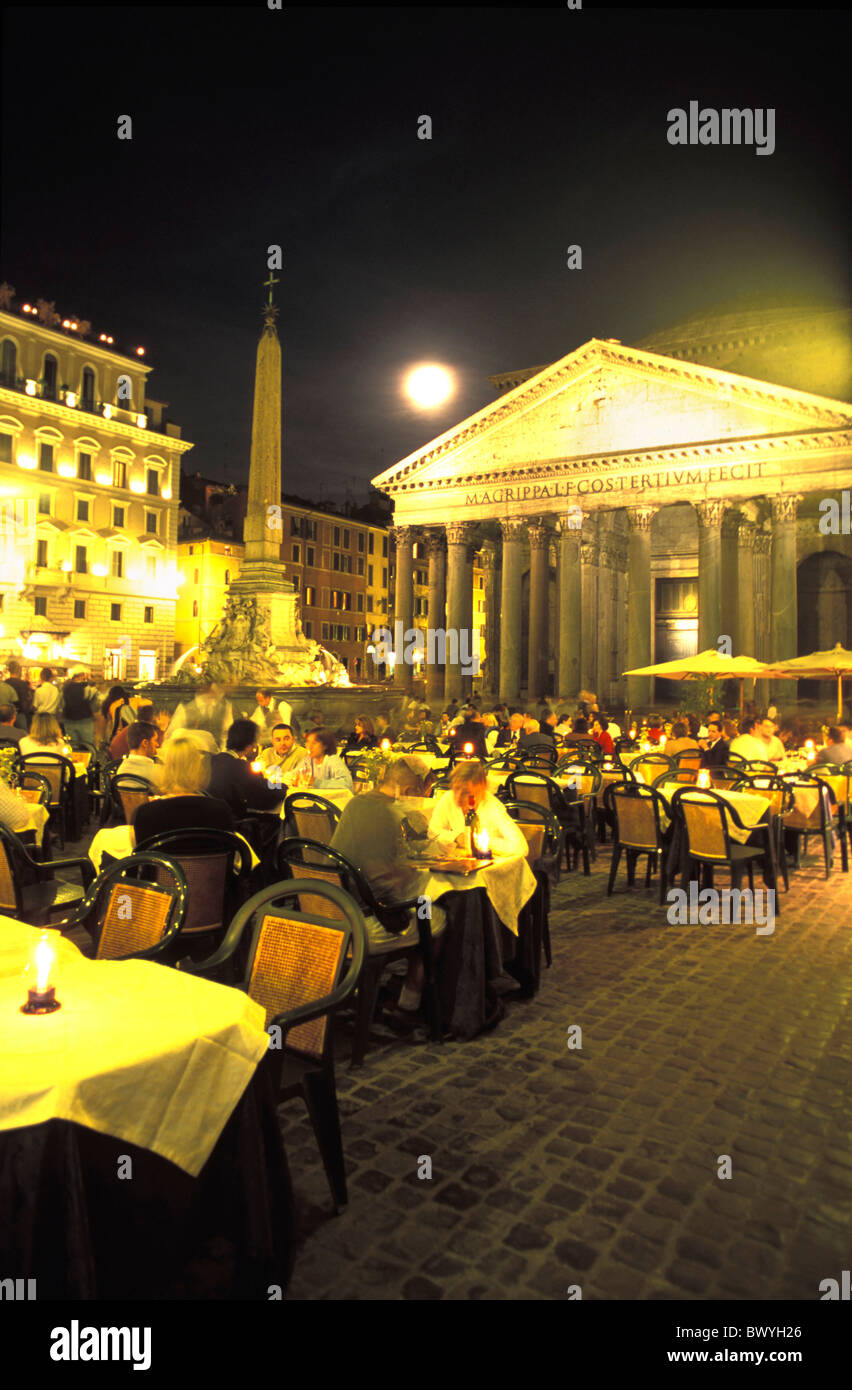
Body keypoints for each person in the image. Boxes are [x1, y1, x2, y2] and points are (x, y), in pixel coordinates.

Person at [330, 759, 448, 1030]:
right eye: (418, 795)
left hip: (333, 912)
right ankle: (409, 1004)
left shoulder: (355, 803)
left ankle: (379, 985)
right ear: (407, 791)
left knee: (417, 905)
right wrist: (410, 875)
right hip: (364, 923)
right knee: (437, 916)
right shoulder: (385, 815)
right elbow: (382, 884)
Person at [132, 732, 235, 846]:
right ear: (198, 769)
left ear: (166, 768)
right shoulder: (221, 811)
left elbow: (140, 852)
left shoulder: (146, 814)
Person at [428, 759, 529, 857]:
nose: (458, 796)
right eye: (456, 788)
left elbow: (521, 848)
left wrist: (479, 840)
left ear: (481, 789)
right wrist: (456, 837)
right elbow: (432, 831)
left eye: (466, 792)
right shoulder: (449, 798)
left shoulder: (492, 806)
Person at [207, 719, 287, 818]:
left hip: (212, 818)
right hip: (234, 821)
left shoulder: (212, 760)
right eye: (256, 742)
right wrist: (284, 787)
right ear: (250, 745)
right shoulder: (241, 767)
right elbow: (266, 798)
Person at [165, 681, 234, 750]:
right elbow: (173, 734)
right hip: (191, 752)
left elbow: (226, 734)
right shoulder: (185, 706)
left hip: (216, 753)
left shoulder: (224, 706)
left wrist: (223, 752)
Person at [118, 721, 165, 789]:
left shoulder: (120, 771)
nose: (157, 745)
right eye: (155, 740)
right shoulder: (158, 773)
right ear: (145, 743)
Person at [61, 668, 100, 751]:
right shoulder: (88, 688)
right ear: (82, 675)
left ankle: (74, 758)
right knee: (88, 745)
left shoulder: (65, 688)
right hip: (85, 720)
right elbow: (95, 706)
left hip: (69, 720)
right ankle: (89, 758)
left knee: (73, 746)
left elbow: (62, 704)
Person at [5, 660, 33, 729]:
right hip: (20, 713)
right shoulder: (23, 684)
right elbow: (28, 698)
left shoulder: (5, 683)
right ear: (19, 670)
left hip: (6, 714)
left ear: (9, 670)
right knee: (22, 733)